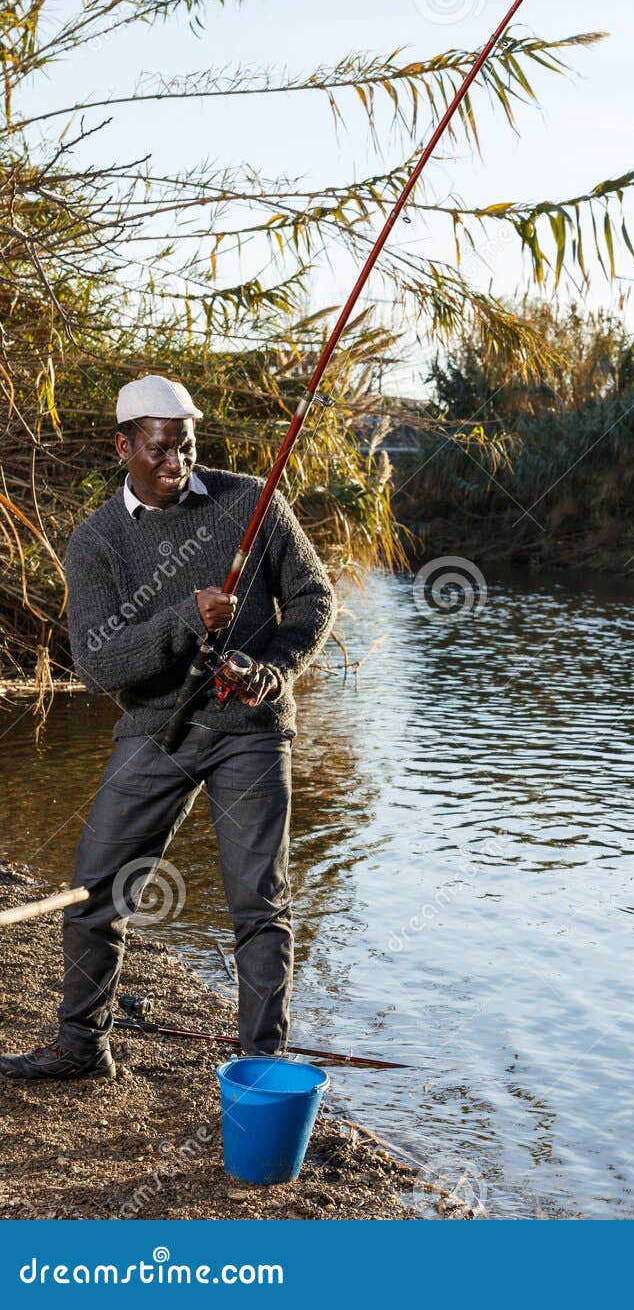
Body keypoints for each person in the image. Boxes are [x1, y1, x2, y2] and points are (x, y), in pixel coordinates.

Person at [0, 375, 334, 1081]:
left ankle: (260, 1066)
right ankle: (82, 1045)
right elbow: (96, 664)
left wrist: (270, 669)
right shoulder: (97, 541)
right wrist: (187, 618)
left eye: (185, 447)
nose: (176, 463)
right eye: (158, 450)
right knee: (96, 891)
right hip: (157, 731)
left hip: (250, 727)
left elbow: (312, 599)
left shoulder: (253, 499)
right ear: (124, 446)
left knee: (258, 902)